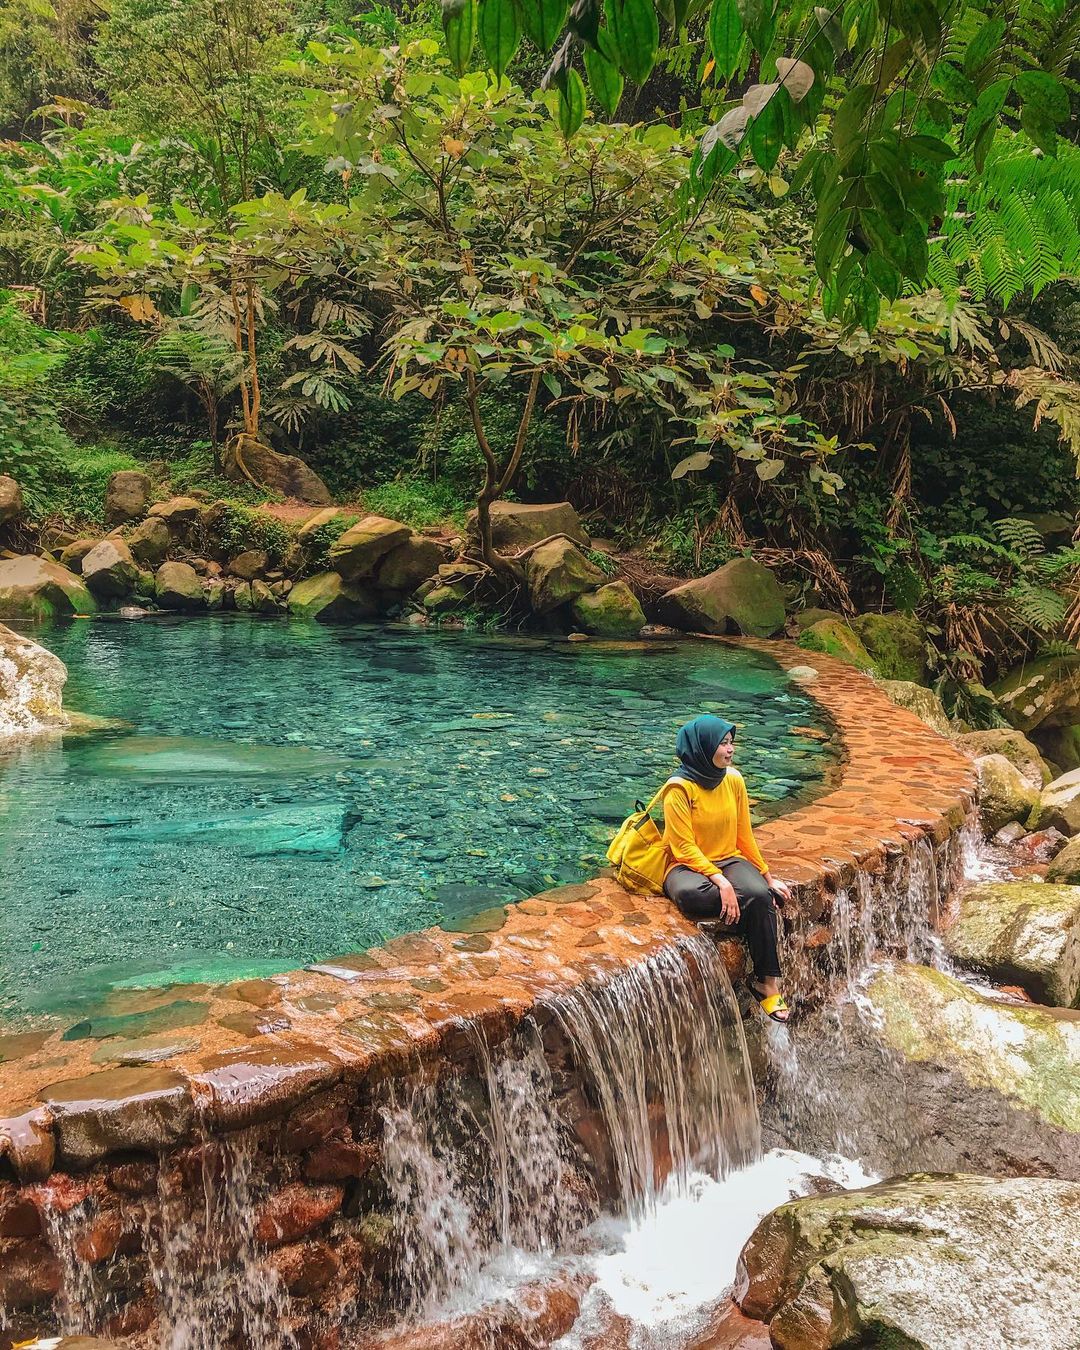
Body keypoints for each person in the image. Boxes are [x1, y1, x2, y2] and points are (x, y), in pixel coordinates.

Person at [660, 714, 793, 1023]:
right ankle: (747, 906)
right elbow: (683, 848)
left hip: (729, 858)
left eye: (731, 742)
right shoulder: (678, 789)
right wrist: (721, 882)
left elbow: (744, 835)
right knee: (691, 897)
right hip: (685, 867)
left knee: (761, 894)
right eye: (723, 743)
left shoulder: (733, 779)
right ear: (703, 747)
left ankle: (767, 984)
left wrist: (768, 877)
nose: (730, 749)